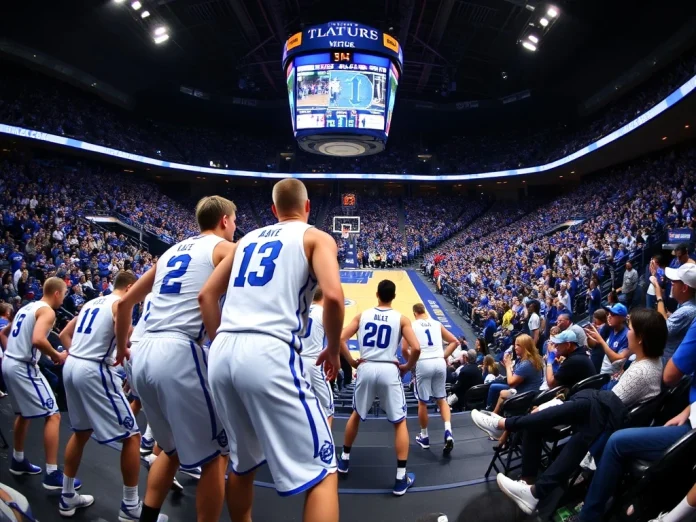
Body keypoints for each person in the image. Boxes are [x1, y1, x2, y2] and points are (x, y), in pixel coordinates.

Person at [199, 179, 345, 521]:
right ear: (307, 208)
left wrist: (220, 338)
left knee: (242, 462)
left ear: (273, 210)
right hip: (270, 350)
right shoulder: (315, 237)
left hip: (222, 351)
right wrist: (334, 350)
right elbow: (335, 297)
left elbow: (206, 295)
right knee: (323, 472)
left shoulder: (245, 239)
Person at [471, 307, 667, 515]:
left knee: (560, 410)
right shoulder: (647, 362)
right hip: (602, 413)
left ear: (641, 337)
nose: (627, 332)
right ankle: (524, 472)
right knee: (548, 415)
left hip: (605, 419)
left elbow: (610, 401)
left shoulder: (642, 371)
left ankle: (503, 426)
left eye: (630, 328)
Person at [115, 196, 238, 522]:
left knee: (170, 451)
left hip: (142, 354)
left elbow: (125, 304)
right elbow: (211, 296)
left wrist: (120, 349)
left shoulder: (170, 252)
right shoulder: (226, 249)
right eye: (235, 220)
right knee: (217, 455)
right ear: (225, 220)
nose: (235, 226)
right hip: (180, 351)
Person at [56, 271, 144, 519]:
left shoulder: (91, 303)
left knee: (81, 432)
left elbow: (64, 334)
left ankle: (67, 495)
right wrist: (123, 347)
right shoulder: (120, 303)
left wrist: (81, 353)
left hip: (73, 365)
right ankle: (130, 506)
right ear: (129, 287)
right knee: (131, 436)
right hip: (94, 369)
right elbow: (121, 322)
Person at [337, 279, 421, 495]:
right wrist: (407, 367)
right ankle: (400, 479)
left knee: (356, 414)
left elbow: (340, 339)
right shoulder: (401, 319)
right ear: (393, 296)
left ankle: (344, 460)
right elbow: (417, 348)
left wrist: (352, 361)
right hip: (389, 368)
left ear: (376, 294)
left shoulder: (362, 315)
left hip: (366, 367)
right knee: (399, 422)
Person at [0, 277, 78, 490]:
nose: (64, 298)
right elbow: (37, 340)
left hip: (9, 363)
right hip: (23, 367)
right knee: (53, 415)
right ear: (56, 293)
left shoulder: (28, 307)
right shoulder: (47, 311)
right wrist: (56, 355)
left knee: (23, 415)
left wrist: (11, 353)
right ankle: (52, 474)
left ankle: (18, 460)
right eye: (64, 294)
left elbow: (3, 333)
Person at [405, 302, 459, 455]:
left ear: (415, 313)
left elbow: (404, 349)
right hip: (439, 361)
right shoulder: (437, 324)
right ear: (425, 311)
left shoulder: (412, 326)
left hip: (423, 362)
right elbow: (455, 341)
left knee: (422, 401)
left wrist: (410, 365)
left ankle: (424, 436)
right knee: (441, 399)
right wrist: (443, 356)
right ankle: (448, 431)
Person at [301, 287, 335, 426]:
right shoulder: (324, 313)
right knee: (328, 409)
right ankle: (326, 447)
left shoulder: (300, 311)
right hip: (314, 363)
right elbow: (335, 340)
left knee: (301, 408)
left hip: (295, 362)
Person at [487, 334, 543, 414]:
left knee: (499, 390)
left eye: (518, 345)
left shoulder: (527, 363)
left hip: (525, 395)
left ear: (525, 347)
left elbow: (511, 383)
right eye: (515, 344)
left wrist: (508, 365)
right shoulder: (527, 359)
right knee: (494, 385)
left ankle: (492, 414)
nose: (515, 347)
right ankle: (493, 412)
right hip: (525, 390)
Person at [651, 263, 696, 363]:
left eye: (673, 283)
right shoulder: (685, 304)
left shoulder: (687, 311)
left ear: (684, 288)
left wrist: (659, 297)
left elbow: (661, 328)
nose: (671, 285)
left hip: (667, 362)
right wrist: (671, 316)